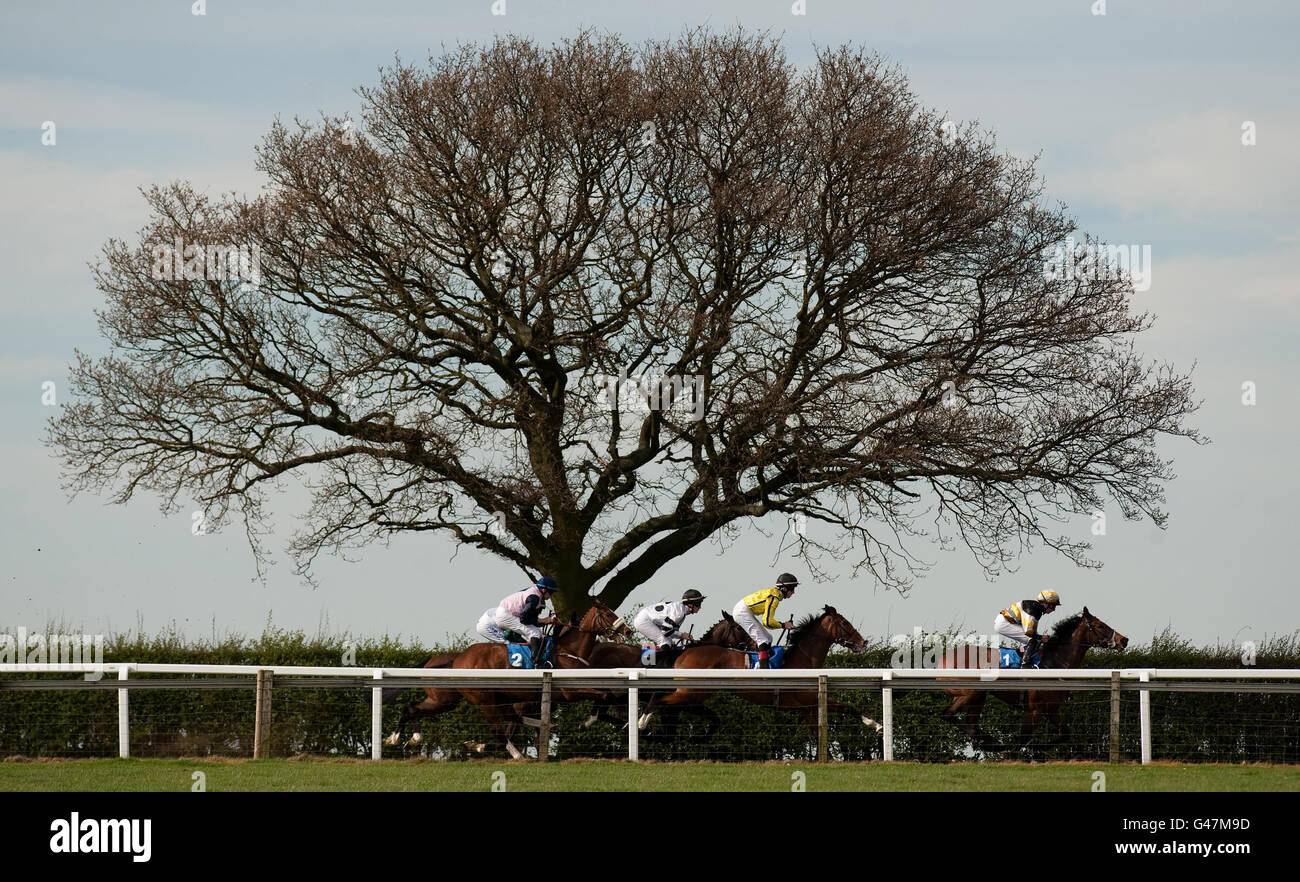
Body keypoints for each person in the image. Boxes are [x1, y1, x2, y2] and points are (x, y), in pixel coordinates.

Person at [734, 573, 799, 669]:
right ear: (784, 589)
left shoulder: (775, 594)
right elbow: (767, 622)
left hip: (744, 610)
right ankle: (763, 669)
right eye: (792, 589)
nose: (793, 592)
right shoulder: (774, 597)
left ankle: (760, 662)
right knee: (763, 640)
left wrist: (783, 625)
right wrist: (783, 625)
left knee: (768, 638)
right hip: (742, 611)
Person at [493, 576, 560, 666]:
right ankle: (536, 661)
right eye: (551, 593)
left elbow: (530, 620)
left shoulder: (535, 591)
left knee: (536, 631)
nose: (550, 596)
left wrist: (544, 621)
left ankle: (534, 656)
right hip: (505, 615)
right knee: (535, 633)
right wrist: (543, 620)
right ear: (544, 590)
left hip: (505, 612)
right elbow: (524, 619)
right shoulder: (534, 598)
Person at [994, 590, 1061, 668]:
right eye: (1053, 606)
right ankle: (1025, 664)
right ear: (1045, 604)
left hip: (1006, 621)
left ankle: (1025, 657)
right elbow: (1029, 632)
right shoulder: (1034, 608)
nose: (1054, 609)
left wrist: (1040, 639)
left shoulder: (1036, 608)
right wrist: (1041, 637)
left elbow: (1033, 631)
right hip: (1004, 623)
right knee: (1032, 640)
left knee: (1035, 640)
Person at [633, 589, 706, 649]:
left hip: (648, 619)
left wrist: (681, 635)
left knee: (669, 642)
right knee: (665, 642)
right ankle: (657, 665)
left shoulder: (682, 611)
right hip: (644, 620)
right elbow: (666, 632)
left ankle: (654, 661)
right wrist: (682, 635)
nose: (700, 607)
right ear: (690, 605)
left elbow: (669, 631)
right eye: (698, 604)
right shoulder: (679, 613)